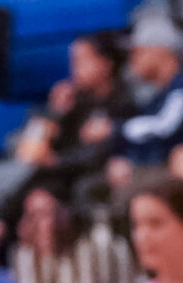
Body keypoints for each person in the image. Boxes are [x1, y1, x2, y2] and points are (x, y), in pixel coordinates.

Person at [10, 31, 131, 205]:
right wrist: (54, 112)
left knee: (44, 195)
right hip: (60, 174)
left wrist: (57, 161)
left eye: (82, 61)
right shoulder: (74, 102)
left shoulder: (122, 101)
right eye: (73, 62)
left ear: (106, 63)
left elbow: (98, 154)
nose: (75, 69)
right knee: (25, 185)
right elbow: (30, 150)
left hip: (89, 174)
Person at [113, 15, 183, 188]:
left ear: (160, 51)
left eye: (137, 51)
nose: (132, 60)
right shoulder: (155, 95)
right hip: (164, 173)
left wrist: (115, 129)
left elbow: (166, 127)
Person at [8, 185, 136, 283]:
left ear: (66, 212)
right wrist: (45, 257)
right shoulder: (25, 254)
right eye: (32, 215)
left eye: (47, 213)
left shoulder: (97, 247)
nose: (44, 224)